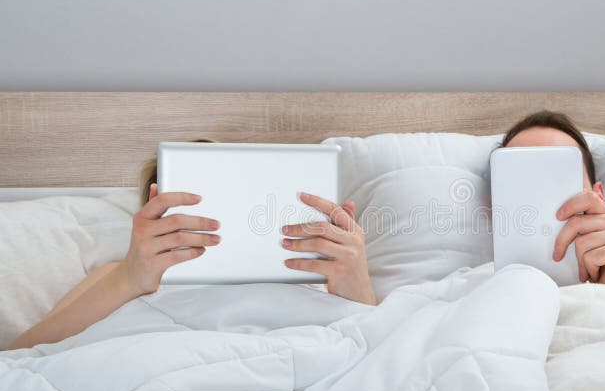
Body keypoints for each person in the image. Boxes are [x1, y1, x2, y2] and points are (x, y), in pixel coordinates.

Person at [9, 144, 375, 350]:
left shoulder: (318, 274)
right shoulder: (118, 276)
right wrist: (129, 278)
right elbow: (21, 353)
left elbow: (371, 344)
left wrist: (355, 277)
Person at [501, 111, 605, 286]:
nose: (540, 197)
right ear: (493, 205)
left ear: (599, 196)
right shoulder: (476, 282)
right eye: (522, 180)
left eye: (558, 178)